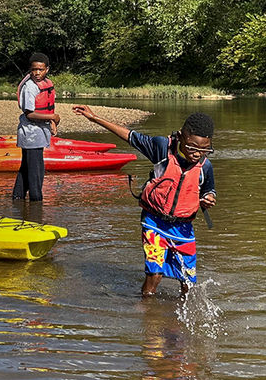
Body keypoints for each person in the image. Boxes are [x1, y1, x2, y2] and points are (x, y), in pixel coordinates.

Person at [73, 106, 217, 297]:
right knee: (154, 276)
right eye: (192, 147)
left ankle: (178, 315)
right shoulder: (161, 149)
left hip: (183, 229)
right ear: (181, 136)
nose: (197, 153)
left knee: (188, 285)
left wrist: (209, 198)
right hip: (154, 222)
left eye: (204, 149)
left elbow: (209, 190)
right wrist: (94, 118)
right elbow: (131, 136)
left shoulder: (205, 166)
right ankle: (146, 311)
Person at [12, 53, 61, 201]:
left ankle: (17, 199)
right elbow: (30, 114)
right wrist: (52, 117)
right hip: (30, 133)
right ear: (30, 69)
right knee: (36, 172)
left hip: (39, 132)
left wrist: (52, 123)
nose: (37, 73)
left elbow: (47, 108)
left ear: (47, 69)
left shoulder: (46, 84)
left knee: (26, 168)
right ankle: (36, 203)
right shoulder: (30, 87)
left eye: (41, 69)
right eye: (34, 69)